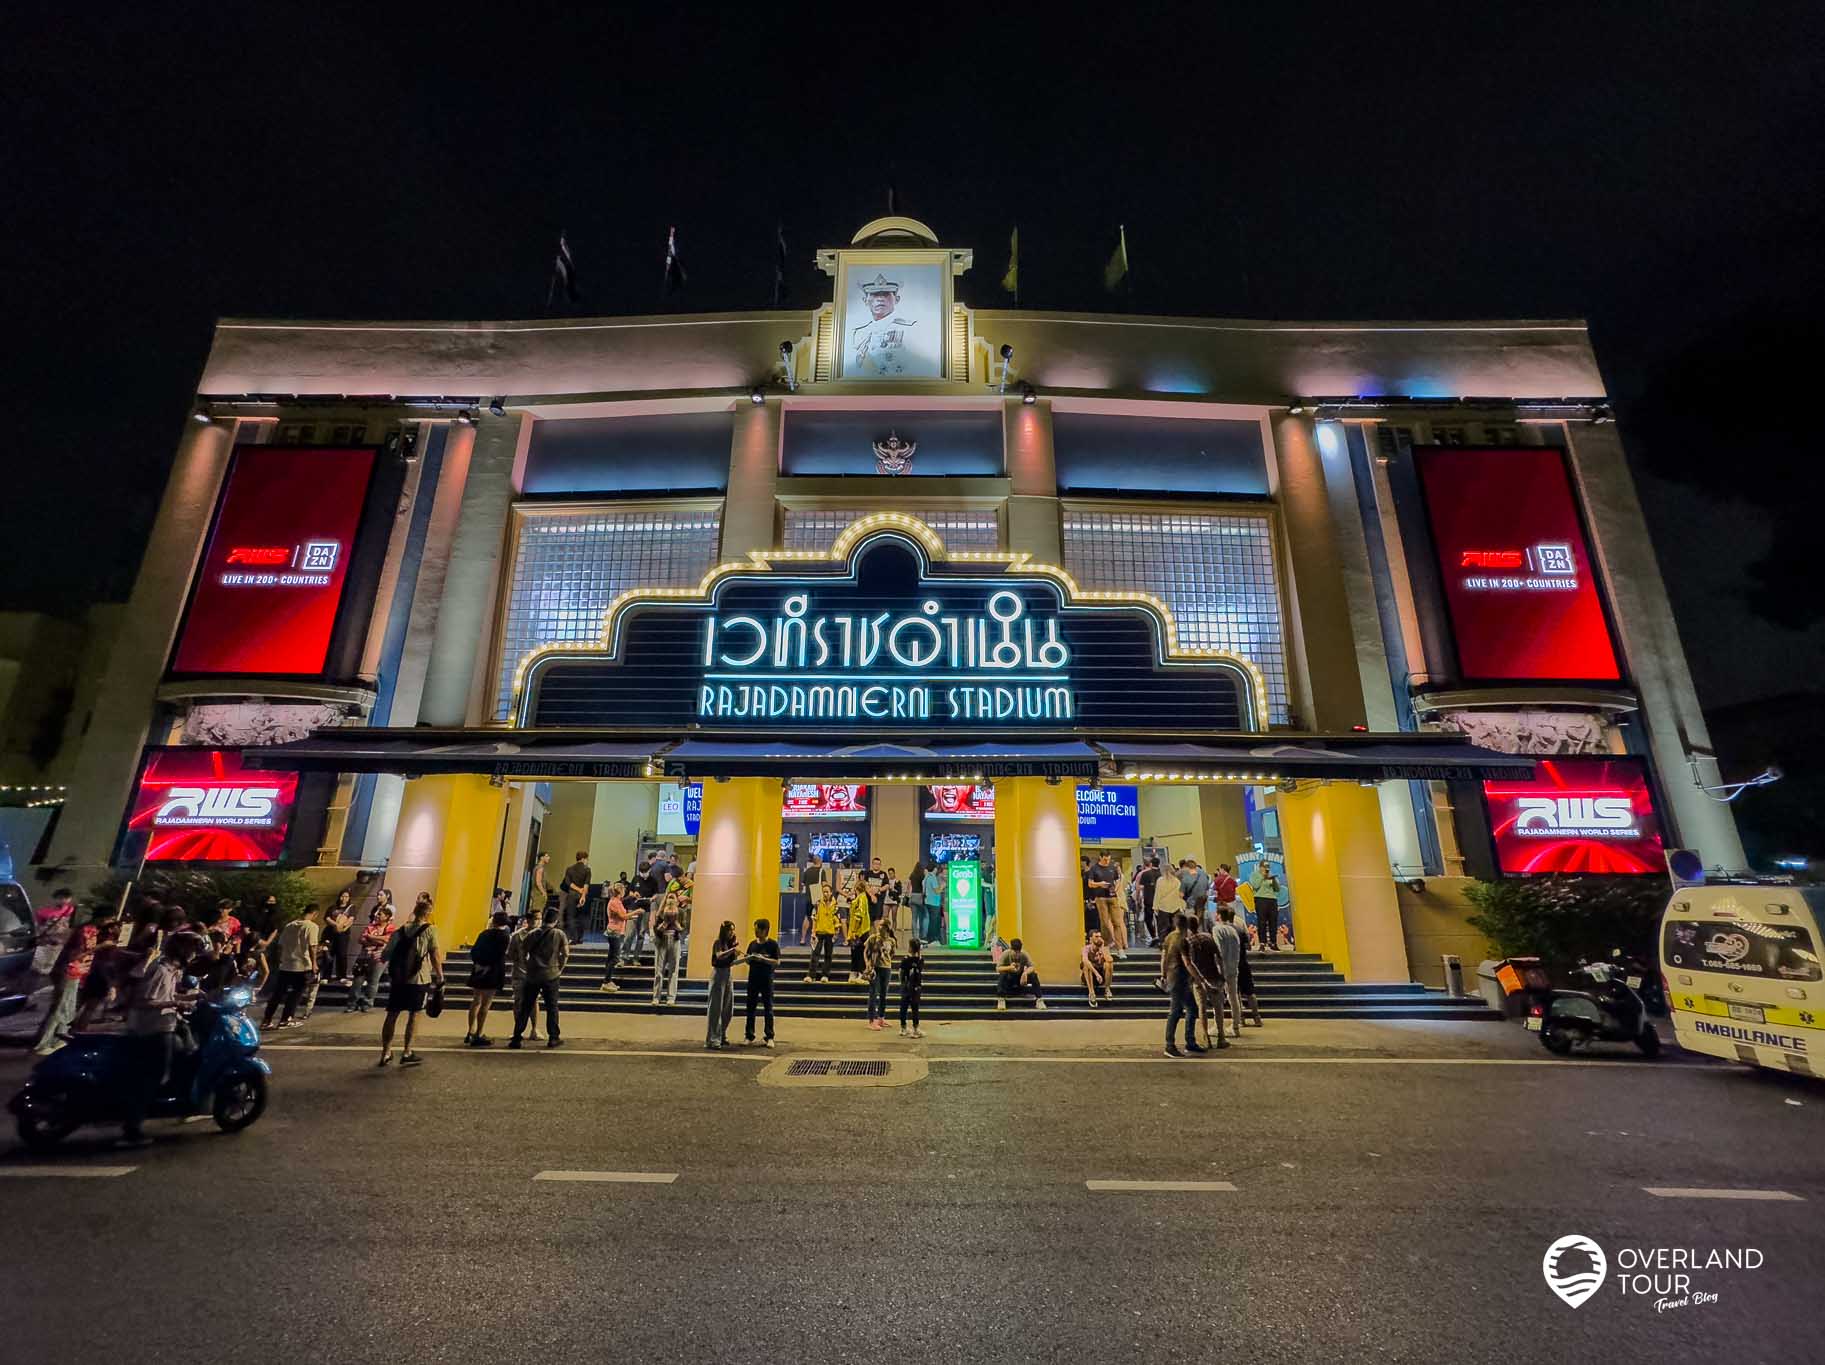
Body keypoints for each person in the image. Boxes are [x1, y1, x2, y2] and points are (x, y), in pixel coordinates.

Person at [117, 930, 203, 1147]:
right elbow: (144, 1000)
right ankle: (132, 1128)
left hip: (165, 1025)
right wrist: (175, 1004)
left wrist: (190, 997)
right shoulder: (161, 971)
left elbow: (166, 995)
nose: (194, 955)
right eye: (192, 951)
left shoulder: (171, 970)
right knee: (154, 1077)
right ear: (182, 951)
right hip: (153, 1029)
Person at [378, 894, 444, 1067]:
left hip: (398, 979)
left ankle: (386, 1052)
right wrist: (440, 976)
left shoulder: (400, 930)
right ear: (428, 913)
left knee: (392, 1014)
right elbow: (435, 955)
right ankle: (407, 1051)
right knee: (414, 1014)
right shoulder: (430, 930)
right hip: (418, 978)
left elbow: (385, 955)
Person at [32, 912, 109, 1054]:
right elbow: (75, 955)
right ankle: (43, 1043)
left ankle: (56, 1040)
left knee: (67, 1008)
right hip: (68, 971)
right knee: (61, 1008)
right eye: (109, 919)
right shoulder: (86, 931)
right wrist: (100, 946)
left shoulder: (91, 930)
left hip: (75, 973)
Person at [848, 271, 921, 376]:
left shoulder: (911, 329)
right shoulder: (858, 332)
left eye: (886, 294)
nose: (880, 298)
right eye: (874, 294)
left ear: (897, 299)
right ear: (865, 300)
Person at [263, 904, 323, 1029]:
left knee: (278, 993)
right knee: (296, 993)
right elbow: (312, 946)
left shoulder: (289, 925)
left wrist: (281, 960)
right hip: (302, 965)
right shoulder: (312, 926)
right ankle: (286, 1019)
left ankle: (267, 1020)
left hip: (286, 964)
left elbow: (281, 945)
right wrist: (314, 964)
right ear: (315, 914)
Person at [1161, 912, 1205, 1058]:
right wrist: (1199, 979)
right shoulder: (1182, 940)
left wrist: (1163, 975)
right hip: (1179, 979)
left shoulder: (1169, 937)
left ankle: (1188, 1041)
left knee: (1186, 1009)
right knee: (1177, 1011)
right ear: (1186, 925)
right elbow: (1188, 963)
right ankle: (1171, 1044)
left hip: (1171, 976)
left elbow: (1163, 957)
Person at [465, 910, 511, 1047]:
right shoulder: (504, 936)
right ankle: (479, 1033)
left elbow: (474, 951)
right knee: (486, 1003)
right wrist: (487, 967)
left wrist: (479, 964)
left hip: (478, 969)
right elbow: (499, 954)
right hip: (493, 971)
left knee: (476, 1000)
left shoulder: (484, 934)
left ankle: (470, 1031)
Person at [1185, 915, 1231, 1050]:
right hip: (1214, 976)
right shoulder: (1208, 937)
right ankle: (1221, 1037)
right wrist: (1222, 974)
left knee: (1202, 1009)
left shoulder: (1188, 942)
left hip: (1198, 980)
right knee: (1218, 1008)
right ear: (1198, 924)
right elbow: (1219, 957)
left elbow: (1189, 963)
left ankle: (1206, 1039)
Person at [345, 904, 395, 1013]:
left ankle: (367, 1003)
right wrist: (378, 940)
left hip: (379, 958)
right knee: (357, 981)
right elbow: (361, 939)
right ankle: (352, 1004)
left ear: (386, 916)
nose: (377, 916)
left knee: (373, 981)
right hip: (364, 957)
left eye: (380, 914)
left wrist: (371, 937)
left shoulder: (390, 928)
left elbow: (388, 939)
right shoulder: (370, 926)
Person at [742, 917, 780, 1048]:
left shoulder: (772, 945)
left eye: (758, 930)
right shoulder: (752, 944)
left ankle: (769, 1036)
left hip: (766, 979)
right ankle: (749, 1035)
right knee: (750, 1008)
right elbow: (747, 960)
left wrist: (763, 959)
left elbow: (777, 962)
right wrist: (749, 958)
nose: (756, 932)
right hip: (753, 979)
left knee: (768, 1008)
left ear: (765, 930)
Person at [1215, 906, 1252, 1032]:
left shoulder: (1217, 929)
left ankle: (1218, 1025)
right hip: (1233, 967)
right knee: (1233, 996)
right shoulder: (1233, 930)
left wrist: (1217, 966)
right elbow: (1238, 948)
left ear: (1219, 915)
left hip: (1222, 967)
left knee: (1218, 998)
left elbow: (1218, 949)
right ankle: (1236, 1025)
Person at [705, 920, 740, 1049]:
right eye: (730, 930)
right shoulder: (718, 943)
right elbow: (719, 956)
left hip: (728, 974)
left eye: (733, 930)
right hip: (718, 974)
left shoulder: (730, 944)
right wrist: (732, 950)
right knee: (716, 1008)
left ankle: (722, 1033)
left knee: (728, 1008)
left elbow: (732, 960)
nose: (732, 932)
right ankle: (713, 1038)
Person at [30, 889, 77, 985]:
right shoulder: (44, 911)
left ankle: (44, 982)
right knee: (38, 963)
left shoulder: (71, 910)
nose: (63, 900)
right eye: (60, 898)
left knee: (52, 963)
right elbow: (38, 924)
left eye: (66, 898)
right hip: (45, 941)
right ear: (55, 899)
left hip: (60, 942)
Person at [648, 891, 683, 1007]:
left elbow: (684, 928)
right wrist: (663, 925)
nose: (671, 899)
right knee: (659, 971)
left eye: (673, 897)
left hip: (675, 940)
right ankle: (656, 997)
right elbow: (655, 930)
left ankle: (671, 997)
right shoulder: (660, 914)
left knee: (673, 971)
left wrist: (677, 925)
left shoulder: (680, 913)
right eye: (669, 897)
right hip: (662, 941)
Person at [995, 938, 1046, 1009]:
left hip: (1021, 980)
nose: (1017, 954)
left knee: (1033, 975)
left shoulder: (1024, 954)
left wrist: (1025, 973)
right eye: (1015, 952)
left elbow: (1032, 967)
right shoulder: (1006, 954)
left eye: (1018, 952)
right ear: (1010, 949)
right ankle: (1001, 999)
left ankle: (1039, 999)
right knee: (1003, 974)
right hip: (1009, 980)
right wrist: (1009, 968)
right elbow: (998, 968)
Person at [864, 917, 896, 1029]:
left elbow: (892, 954)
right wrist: (868, 965)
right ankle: (871, 1020)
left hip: (886, 968)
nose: (879, 927)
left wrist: (886, 961)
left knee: (884, 994)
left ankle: (881, 1018)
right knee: (873, 993)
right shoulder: (873, 938)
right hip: (875, 968)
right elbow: (866, 952)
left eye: (882, 925)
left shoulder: (891, 941)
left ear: (887, 928)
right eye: (879, 925)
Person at [1087, 852, 1121, 955]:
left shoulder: (1112, 867)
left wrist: (1116, 888)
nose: (1107, 861)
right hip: (1100, 897)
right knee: (1105, 923)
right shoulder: (1094, 868)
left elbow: (1118, 879)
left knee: (1117, 923)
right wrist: (1100, 884)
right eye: (1105, 859)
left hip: (1112, 897)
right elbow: (1090, 884)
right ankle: (1106, 945)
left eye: (1108, 859)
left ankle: (1120, 948)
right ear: (1100, 858)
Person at [598, 882, 629, 992]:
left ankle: (608, 980)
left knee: (612, 956)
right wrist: (637, 911)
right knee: (614, 958)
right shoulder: (614, 902)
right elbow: (623, 916)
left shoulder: (618, 901)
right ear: (620, 891)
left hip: (616, 931)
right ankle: (606, 982)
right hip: (614, 932)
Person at [323, 890, 357, 983]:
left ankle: (342, 976)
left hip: (343, 935)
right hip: (331, 934)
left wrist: (343, 926)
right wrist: (335, 925)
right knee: (329, 954)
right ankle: (326, 976)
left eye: (346, 896)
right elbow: (327, 918)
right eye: (342, 896)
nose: (344, 898)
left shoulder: (351, 908)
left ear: (349, 898)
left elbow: (351, 919)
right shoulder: (332, 907)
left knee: (342, 954)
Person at [806, 884, 838, 982]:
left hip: (830, 933)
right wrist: (813, 932)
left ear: (831, 892)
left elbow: (837, 920)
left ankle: (825, 975)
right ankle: (811, 975)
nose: (825, 893)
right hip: (819, 932)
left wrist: (836, 933)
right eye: (824, 891)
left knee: (828, 955)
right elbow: (814, 918)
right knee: (815, 954)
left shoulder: (835, 905)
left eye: (827, 891)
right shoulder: (817, 904)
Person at [560, 850, 592, 944]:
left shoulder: (569, 869)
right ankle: (580, 938)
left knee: (571, 917)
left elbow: (568, 883)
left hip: (571, 895)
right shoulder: (587, 870)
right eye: (586, 859)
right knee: (581, 917)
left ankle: (573, 938)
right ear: (583, 859)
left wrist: (577, 889)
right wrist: (583, 895)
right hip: (581, 896)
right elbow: (586, 885)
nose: (587, 861)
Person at [845, 879, 872, 984]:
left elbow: (859, 915)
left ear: (856, 888)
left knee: (860, 952)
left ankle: (861, 973)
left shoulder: (862, 898)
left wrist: (854, 931)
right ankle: (854, 972)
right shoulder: (860, 898)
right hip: (857, 930)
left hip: (860, 931)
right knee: (855, 953)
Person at [898, 936, 925, 1038]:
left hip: (906, 985)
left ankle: (903, 1028)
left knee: (903, 1007)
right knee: (915, 1007)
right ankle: (915, 1028)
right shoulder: (920, 960)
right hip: (916, 987)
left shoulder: (905, 959)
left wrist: (901, 982)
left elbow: (900, 972)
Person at [1081, 930, 1115, 1008]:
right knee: (1086, 965)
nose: (1099, 938)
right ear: (1090, 939)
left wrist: (1102, 948)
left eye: (1100, 936)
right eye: (1096, 937)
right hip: (1090, 976)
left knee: (1108, 964)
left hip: (1101, 977)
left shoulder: (1104, 948)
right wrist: (1096, 974)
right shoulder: (1086, 948)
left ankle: (1107, 989)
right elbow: (1085, 960)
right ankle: (1092, 993)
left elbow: (1110, 960)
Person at [1255, 871, 1283, 951]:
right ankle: (1262, 943)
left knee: (1273, 921)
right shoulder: (1255, 875)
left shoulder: (1271, 876)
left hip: (1272, 899)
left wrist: (1274, 879)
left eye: (1267, 868)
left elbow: (1277, 889)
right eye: (1264, 867)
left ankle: (1273, 943)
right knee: (1262, 921)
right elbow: (1255, 886)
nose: (1266, 870)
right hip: (1260, 899)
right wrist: (1263, 877)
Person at [921, 863, 944, 946]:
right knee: (934, 922)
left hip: (927, 902)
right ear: (934, 869)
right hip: (934, 903)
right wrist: (942, 886)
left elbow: (923, 890)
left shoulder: (926, 878)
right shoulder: (933, 877)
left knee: (931, 921)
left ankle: (929, 939)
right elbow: (937, 891)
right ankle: (933, 940)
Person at [906, 858, 927, 948]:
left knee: (914, 918)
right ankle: (922, 935)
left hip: (912, 897)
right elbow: (924, 886)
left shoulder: (912, 874)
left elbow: (909, 885)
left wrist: (908, 894)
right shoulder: (922, 875)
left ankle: (915, 937)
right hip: (920, 897)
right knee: (923, 917)